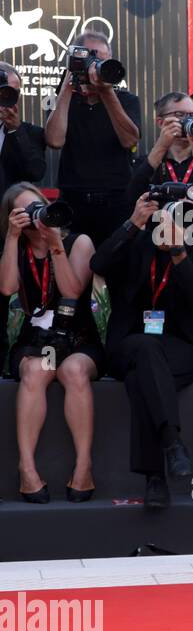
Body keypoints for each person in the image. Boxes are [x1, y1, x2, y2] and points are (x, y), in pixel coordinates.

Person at [90, 192, 193, 508]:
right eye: (175, 215)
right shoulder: (139, 242)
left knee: (141, 381)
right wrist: (134, 223)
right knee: (146, 349)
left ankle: (155, 480)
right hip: (131, 342)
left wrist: (179, 253)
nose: (182, 222)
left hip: (182, 348)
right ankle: (172, 443)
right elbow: (99, 263)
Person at [0, 183, 103, 502]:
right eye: (27, 211)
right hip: (35, 341)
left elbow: (72, 290)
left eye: (39, 206)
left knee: (73, 371)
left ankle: (83, 468)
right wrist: (12, 237)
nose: (37, 215)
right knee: (35, 371)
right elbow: (7, 288)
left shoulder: (78, 242)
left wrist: (56, 244)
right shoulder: (15, 247)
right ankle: (27, 470)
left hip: (78, 337)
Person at [43, 31, 142, 248]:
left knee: (116, 266)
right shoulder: (58, 99)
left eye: (102, 60)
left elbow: (130, 141)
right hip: (73, 200)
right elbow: (54, 140)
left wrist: (105, 91)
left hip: (116, 200)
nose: (95, 66)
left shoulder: (127, 100)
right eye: (90, 58)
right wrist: (68, 87)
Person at [0, 62, 47, 192]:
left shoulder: (31, 133)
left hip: (10, 208)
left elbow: (35, 172)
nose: (7, 96)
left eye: (14, 92)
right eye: (3, 90)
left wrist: (16, 130)